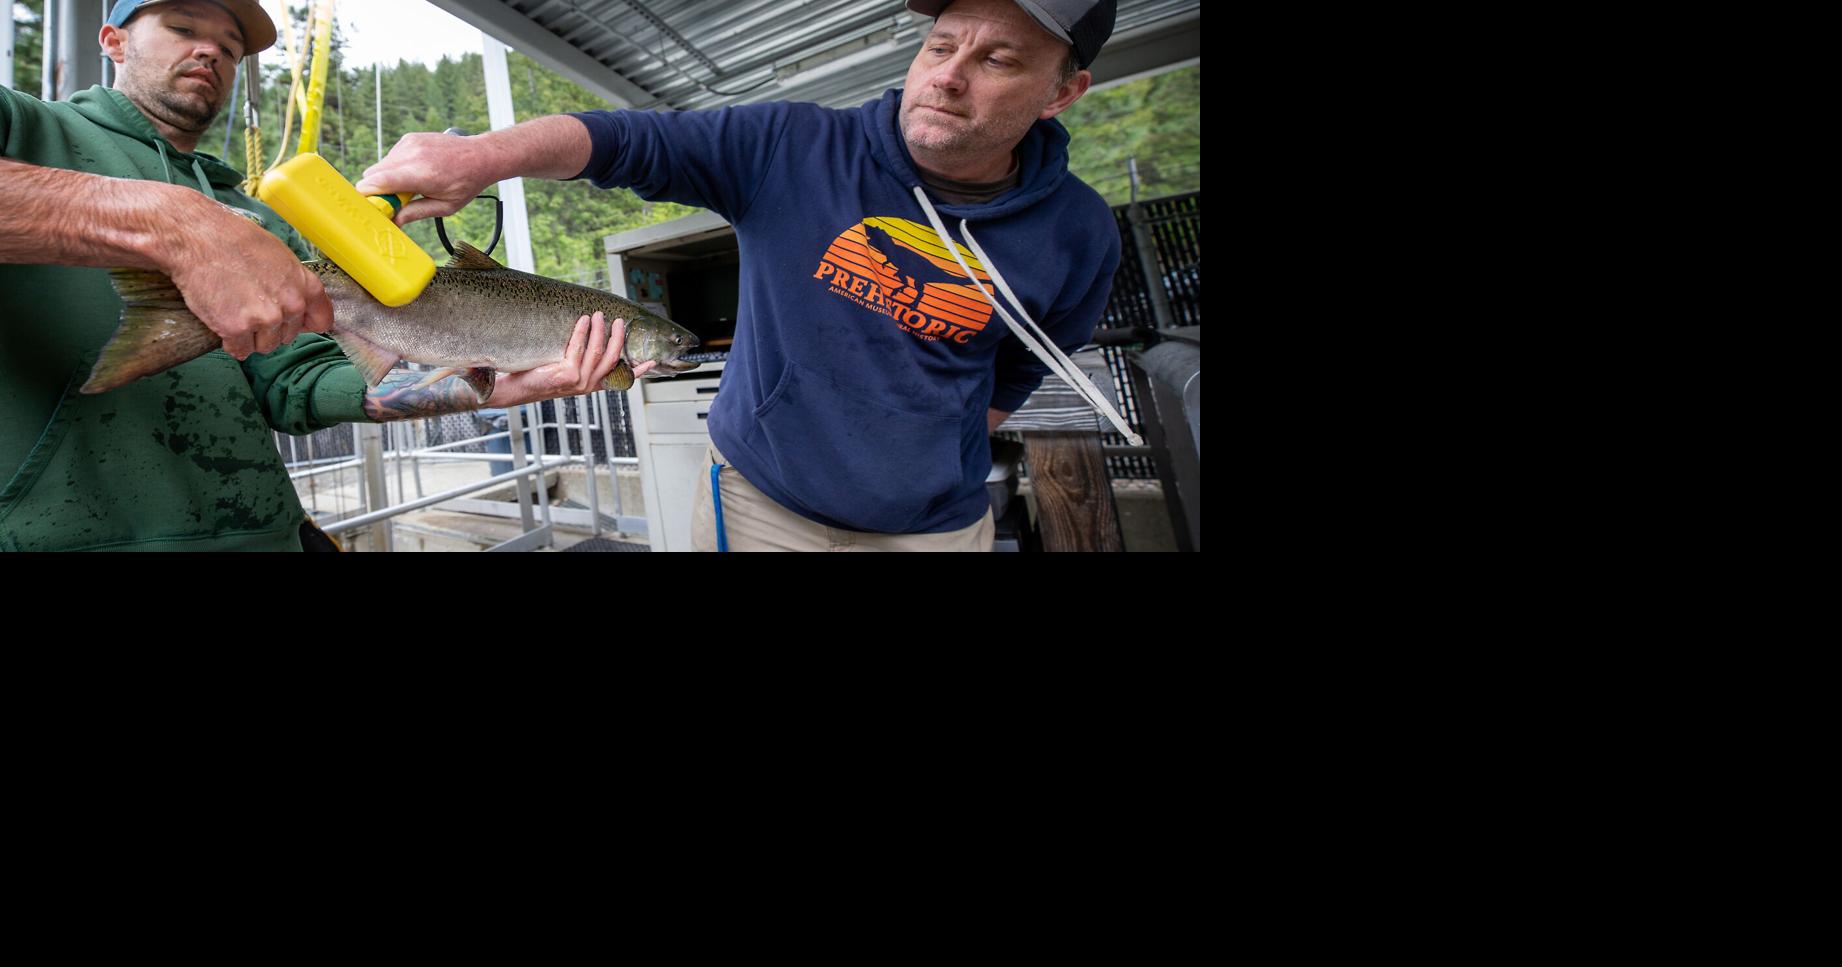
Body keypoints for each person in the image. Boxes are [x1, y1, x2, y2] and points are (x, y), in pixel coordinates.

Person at [354, 0, 1123, 552]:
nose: (949, 76)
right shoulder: (792, 145)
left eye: (997, 59)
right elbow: (630, 142)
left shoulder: (1080, 233)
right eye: (940, 44)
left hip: (937, 526)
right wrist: (481, 157)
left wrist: (926, 449)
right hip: (758, 506)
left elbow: (1026, 366)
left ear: (1062, 92)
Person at [0, 0, 645, 552]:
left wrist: (476, 390)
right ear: (112, 40)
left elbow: (295, 384)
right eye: (182, 27)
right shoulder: (24, 128)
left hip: (264, 535)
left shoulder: (259, 221)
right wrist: (166, 221)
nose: (211, 53)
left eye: (229, 46)